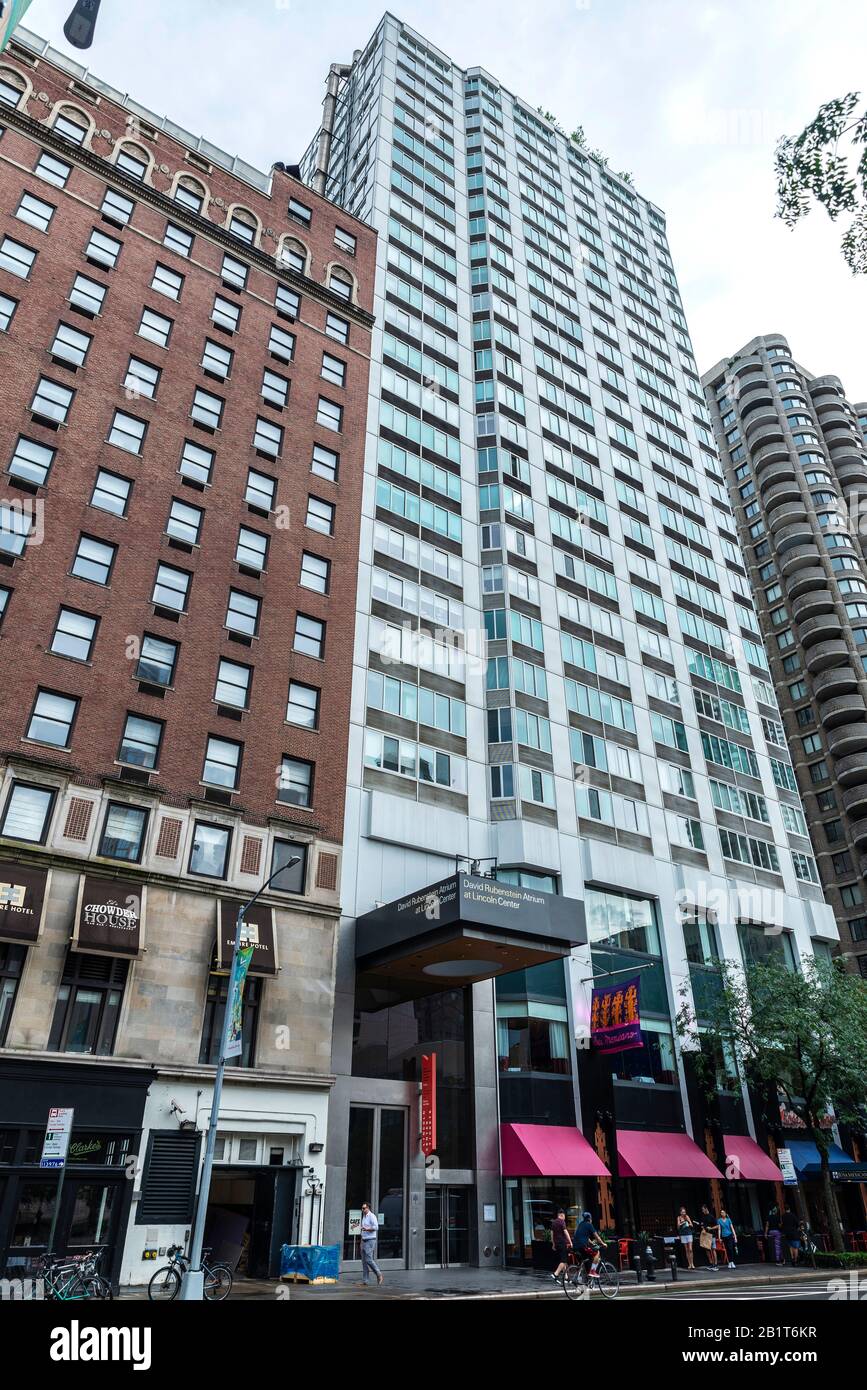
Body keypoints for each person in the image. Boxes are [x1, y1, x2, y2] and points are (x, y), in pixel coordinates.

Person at [573, 1210, 606, 1281]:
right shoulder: (589, 1225)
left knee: (586, 1260)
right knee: (597, 1252)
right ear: (589, 1219)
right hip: (582, 1246)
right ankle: (593, 1271)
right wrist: (603, 1243)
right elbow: (597, 1236)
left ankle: (586, 1280)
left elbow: (586, 1237)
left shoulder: (580, 1224)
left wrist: (592, 1243)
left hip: (575, 1246)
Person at [360, 1201, 384, 1286]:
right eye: (362, 1208)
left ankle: (379, 1274)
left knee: (369, 1260)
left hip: (370, 1240)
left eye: (364, 1208)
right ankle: (365, 1281)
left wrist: (367, 1229)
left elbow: (376, 1227)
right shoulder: (364, 1216)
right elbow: (363, 1228)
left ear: (368, 1208)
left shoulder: (372, 1216)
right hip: (363, 1240)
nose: (362, 1210)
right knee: (364, 1262)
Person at [550, 1207, 573, 1284]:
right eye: (564, 1216)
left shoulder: (554, 1222)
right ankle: (555, 1274)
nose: (564, 1218)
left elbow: (552, 1234)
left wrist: (553, 1243)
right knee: (563, 1261)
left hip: (557, 1243)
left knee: (563, 1260)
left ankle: (566, 1278)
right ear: (562, 1215)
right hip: (562, 1243)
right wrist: (570, 1242)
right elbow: (566, 1232)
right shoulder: (562, 1222)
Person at [699, 1205, 719, 1270]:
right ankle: (711, 1263)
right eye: (702, 1210)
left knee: (713, 1249)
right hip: (705, 1235)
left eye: (703, 1209)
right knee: (707, 1250)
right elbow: (702, 1225)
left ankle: (716, 1264)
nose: (702, 1211)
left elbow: (717, 1226)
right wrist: (703, 1229)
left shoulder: (711, 1216)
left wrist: (711, 1228)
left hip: (712, 1235)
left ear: (706, 1209)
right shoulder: (703, 1217)